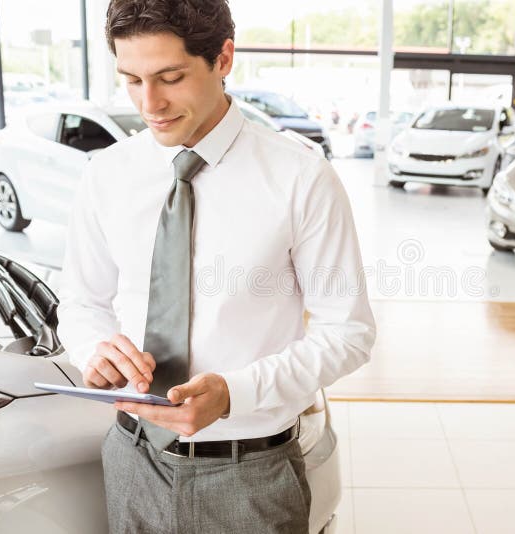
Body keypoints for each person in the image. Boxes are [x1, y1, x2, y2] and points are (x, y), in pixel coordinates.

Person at [56, 1, 376, 532]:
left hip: (249, 477)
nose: (149, 103)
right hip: (133, 460)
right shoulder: (107, 175)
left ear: (223, 58)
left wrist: (234, 394)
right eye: (131, 80)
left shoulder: (300, 177)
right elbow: (82, 303)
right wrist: (96, 349)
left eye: (170, 77)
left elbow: (349, 334)